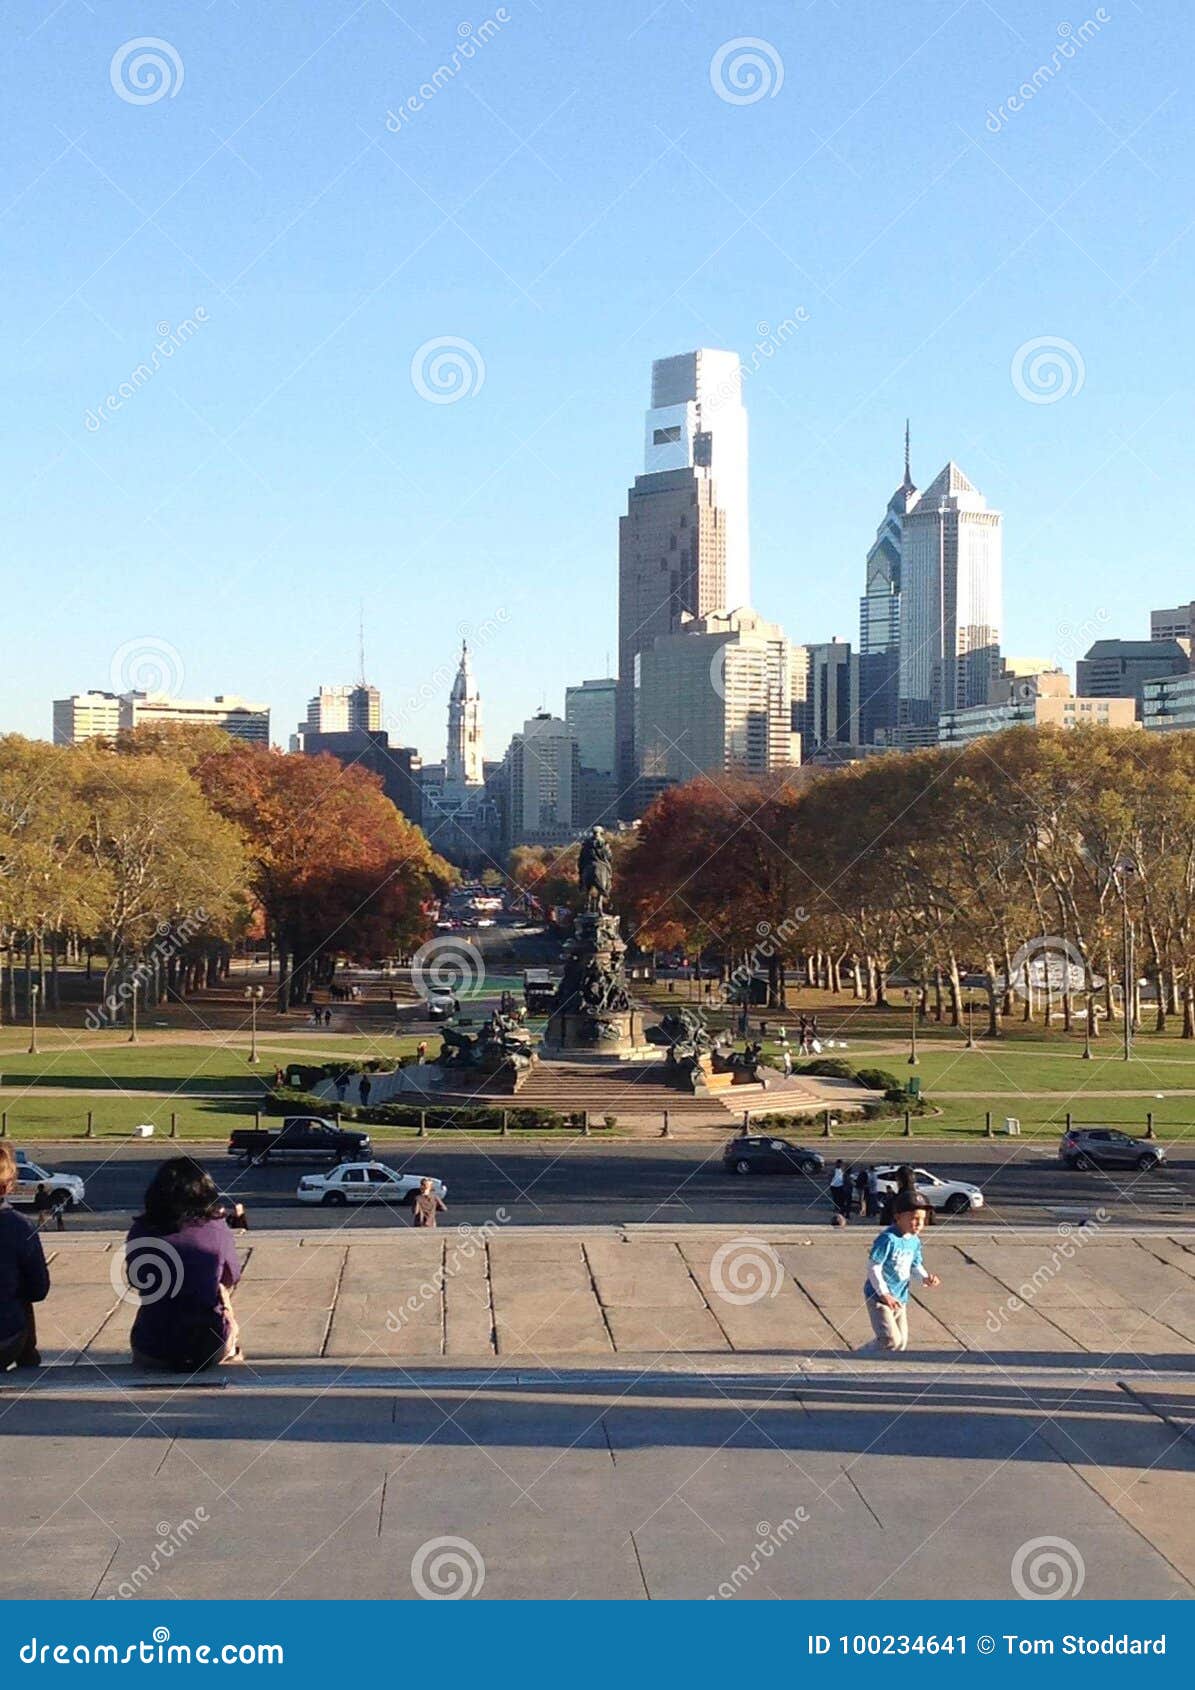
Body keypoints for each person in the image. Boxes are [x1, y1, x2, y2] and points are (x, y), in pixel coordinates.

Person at [125, 1157, 244, 1372]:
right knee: (223, 1296)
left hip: (153, 1343)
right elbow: (231, 1276)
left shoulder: (141, 1230)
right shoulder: (217, 1228)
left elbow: (136, 1278)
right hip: (207, 1341)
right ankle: (233, 1355)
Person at [861, 1195, 941, 1353]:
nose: (919, 1223)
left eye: (922, 1219)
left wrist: (925, 1278)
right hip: (879, 1298)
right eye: (913, 1218)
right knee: (891, 1340)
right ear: (898, 1217)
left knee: (901, 1343)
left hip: (899, 1297)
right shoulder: (888, 1239)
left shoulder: (914, 1240)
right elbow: (874, 1267)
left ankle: (880, 1364)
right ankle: (859, 1357)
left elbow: (915, 1265)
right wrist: (884, 1294)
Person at [0, 1144, 50, 1370]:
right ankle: (28, 1359)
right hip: (5, 1341)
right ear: (8, 1186)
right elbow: (38, 1289)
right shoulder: (19, 1226)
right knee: (23, 1298)